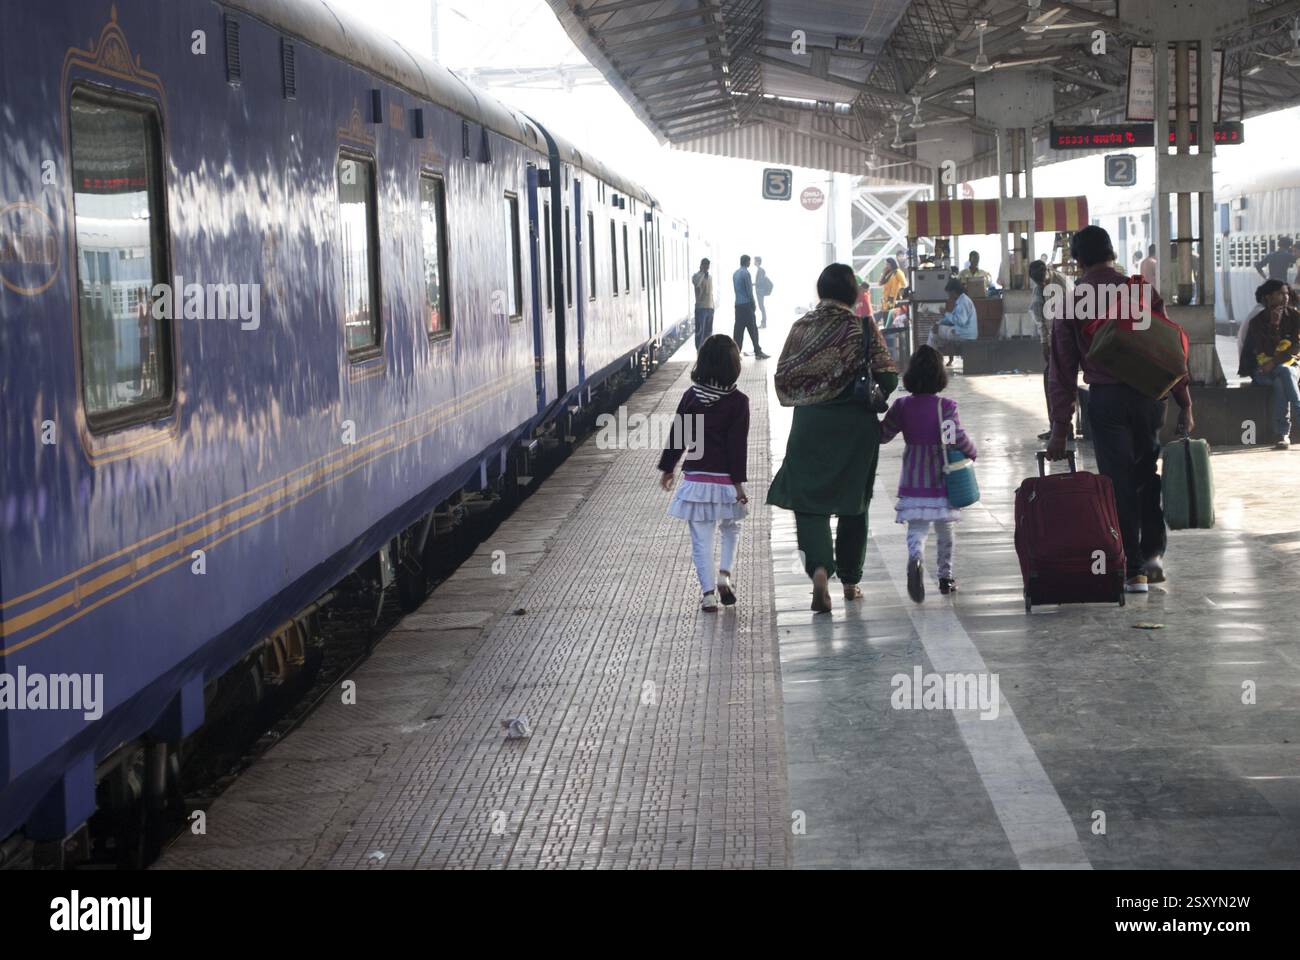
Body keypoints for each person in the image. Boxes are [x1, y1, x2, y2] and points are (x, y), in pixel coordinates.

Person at [1046, 225, 1195, 593]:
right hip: (1149, 396)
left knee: (1118, 483)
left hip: (1106, 399)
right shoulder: (1140, 290)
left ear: (1078, 260)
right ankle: (1154, 554)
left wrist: (1059, 428)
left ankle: (1133, 569)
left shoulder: (1072, 300)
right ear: (1112, 252)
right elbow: (1168, 350)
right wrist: (1185, 403)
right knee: (1147, 472)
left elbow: (1062, 370)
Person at [767, 264, 899, 614]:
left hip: (809, 428)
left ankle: (820, 571)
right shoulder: (862, 328)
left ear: (820, 290)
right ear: (854, 294)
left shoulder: (800, 328)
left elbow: (784, 376)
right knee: (854, 505)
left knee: (810, 506)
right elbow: (888, 380)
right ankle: (852, 581)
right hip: (856, 431)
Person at [658, 335, 751, 612]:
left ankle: (708, 594)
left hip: (696, 480)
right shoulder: (739, 402)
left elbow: (678, 436)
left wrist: (667, 468)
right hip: (724, 481)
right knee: (731, 528)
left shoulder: (691, 397)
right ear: (734, 366)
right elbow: (737, 448)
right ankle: (724, 574)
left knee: (701, 538)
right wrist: (738, 485)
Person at [879, 345, 978, 601]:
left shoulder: (901, 406)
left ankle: (916, 557)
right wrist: (972, 451)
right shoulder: (945, 407)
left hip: (913, 477)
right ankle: (945, 577)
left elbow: (882, 435)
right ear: (940, 375)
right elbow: (954, 437)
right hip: (941, 478)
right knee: (945, 529)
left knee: (917, 528)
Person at [1238, 278, 1300, 449]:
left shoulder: (1295, 317)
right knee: (1282, 378)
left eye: (1286, 293)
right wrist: (1274, 326)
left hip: (1290, 366)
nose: (1285, 297)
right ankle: (1286, 428)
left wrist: (1274, 363)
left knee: (1284, 374)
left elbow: (1296, 347)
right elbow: (1264, 351)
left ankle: (1282, 434)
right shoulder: (1257, 322)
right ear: (1268, 297)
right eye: (1280, 294)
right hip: (1261, 371)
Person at [1028, 259, 1071, 440]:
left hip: (1070, 337)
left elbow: (1070, 316)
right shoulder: (1039, 287)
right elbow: (1039, 316)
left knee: (1058, 382)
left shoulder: (1062, 283)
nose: (1042, 284)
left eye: (1043, 279)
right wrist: (1044, 342)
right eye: (1038, 281)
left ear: (1048, 270)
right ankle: (1058, 426)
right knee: (1053, 380)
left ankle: (1061, 428)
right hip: (1055, 338)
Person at [928, 277, 978, 360]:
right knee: (935, 331)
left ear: (953, 292)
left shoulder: (963, 302)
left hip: (964, 334)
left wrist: (945, 313)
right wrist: (939, 322)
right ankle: (934, 355)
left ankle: (929, 358)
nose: (948, 296)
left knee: (934, 331)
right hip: (964, 332)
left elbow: (960, 321)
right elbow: (953, 319)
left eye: (949, 293)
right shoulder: (962, 300)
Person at [732, 255, 768, 359]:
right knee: (753, 329)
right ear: (746, 262)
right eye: (749, 261)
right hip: (746, 306)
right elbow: (749, 291)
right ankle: (758, 352)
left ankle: (735, 354)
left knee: (738, 331)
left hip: (738, 306)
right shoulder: (746, 273)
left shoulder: (735, 274)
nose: (750, 263)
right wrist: (753, 303)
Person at [691, 258, 714, 350]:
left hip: (710, 308)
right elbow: (697, 284)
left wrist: (713, 306)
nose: (706, 267)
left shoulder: (710, 277)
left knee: (708, 332)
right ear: (701, 265)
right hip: (701, 308)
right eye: (704, 265)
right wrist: (702, 273)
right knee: (700, 332)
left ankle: (707, 351)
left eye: (708, 266)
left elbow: (710, 292)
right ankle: (699, 352)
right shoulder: (696, 276)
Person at [754, 256, 773, 328]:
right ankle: (763, 323)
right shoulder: (760, 270)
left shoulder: (761, 270)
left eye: (755, 261)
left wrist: (753, 284)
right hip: (760, 291)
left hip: (760, 291)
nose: (754, 262)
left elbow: (760, 282)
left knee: (762, 307)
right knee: (761, 307)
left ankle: (763, 323)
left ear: (758, 262)